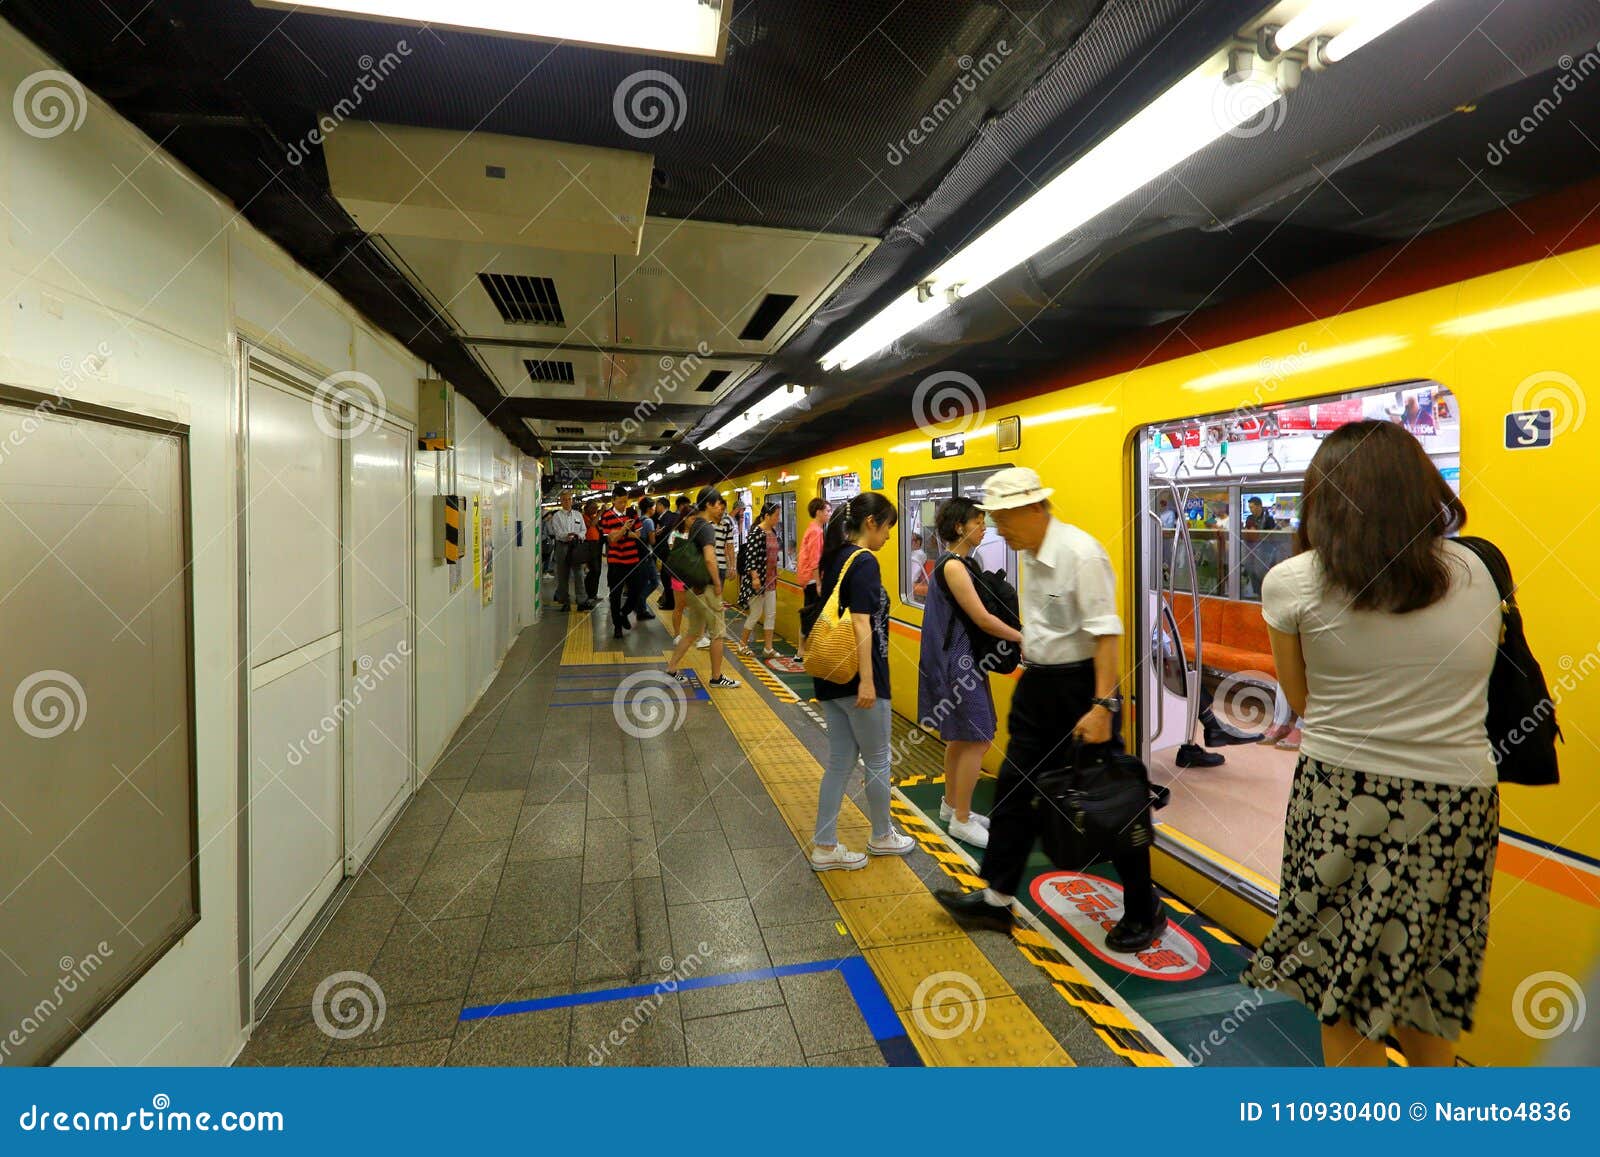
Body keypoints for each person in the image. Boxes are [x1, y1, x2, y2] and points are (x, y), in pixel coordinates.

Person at [1240, 420, 1500, 1067]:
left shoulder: (1294, 581)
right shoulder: (1480, 567)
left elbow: (1302, 702)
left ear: (1322, 497)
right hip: (1460, 802)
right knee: (1426, 982)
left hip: (1345, 796)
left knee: (1344, 989)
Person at [935, 467, 1164, 953]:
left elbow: (1107, 633)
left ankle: (1145, 908)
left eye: (1003, 519)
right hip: (1039, 686)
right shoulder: (1033, 556)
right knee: (1014, 792)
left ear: (1033, 509)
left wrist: (1104, 704)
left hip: (1082, 690)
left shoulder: (1080, 554)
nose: (998, 529)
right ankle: (997, 899)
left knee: (1110, 798)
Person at [809, 493, 914, 870]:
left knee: (839, 761)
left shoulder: (834, 556)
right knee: (878, 760)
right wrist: (867, 681)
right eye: (887, 527)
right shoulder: (865, 561)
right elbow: (860, 621)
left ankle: (824, 845)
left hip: (829, 675)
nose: (888, 536)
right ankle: (882, 835)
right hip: (858, 678)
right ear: (872, 523)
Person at [918, 497, 1023, 849]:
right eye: (978, 522)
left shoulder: (959, 562)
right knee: (978, 736)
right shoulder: (955, 567)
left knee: (960, 737)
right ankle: (962, 819)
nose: (984, 528)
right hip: (958, 663)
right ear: (960, 527)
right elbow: (981, 618)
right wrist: (1023, 636)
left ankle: (952, 807)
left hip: (957, 660)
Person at [664, 488, 741, 689]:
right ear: (708, 504)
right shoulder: (706, 527)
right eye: (718, 505)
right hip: (706, 587)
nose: (721, 510)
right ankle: (716, 677)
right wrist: (717, 583)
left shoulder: (694, 524)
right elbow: (709, 558)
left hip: (693, 588)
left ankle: (671, 669)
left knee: (693, 632)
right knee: (718, 633)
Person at [598, 484, 646, 639]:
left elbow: (638, 535)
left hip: (632, 559)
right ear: (613, 501)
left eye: (625, 501)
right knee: (615, 594)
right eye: (620, 502)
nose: (624, 505)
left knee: (637, 590)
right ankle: (617, 626)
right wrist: (625, 529)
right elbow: (611, 540)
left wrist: (619, 533)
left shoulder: (632, 513)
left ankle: (624, 613)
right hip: (615, 561)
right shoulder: (606, 516)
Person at [738, 501, 782, 656]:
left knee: (771, 614)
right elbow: (750, 558)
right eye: (776, 515)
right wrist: (755, 578)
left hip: (771, 580)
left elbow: (774, 555)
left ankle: (768, 648)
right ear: (767, 516)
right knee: (755, 613)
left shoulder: (773, 532)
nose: (778, 518)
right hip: (758, 581)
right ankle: (742, 644)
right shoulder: (756, 532)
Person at [795, 497, 830, 661]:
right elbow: (815, 561)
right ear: (819, 512)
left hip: (806, 577)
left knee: (807, 613)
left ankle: (801, 650)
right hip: (811, 579)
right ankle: (803, 651)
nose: (829, 514)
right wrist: (818, 583)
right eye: (827, 511)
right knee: (811, 615)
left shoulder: (811, 528)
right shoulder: (817, 531)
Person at [548, 490, 588, 611]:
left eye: (569, 499)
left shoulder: (578, 515)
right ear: (561, 501)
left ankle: (581, 601)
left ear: (572, 500)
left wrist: (578, 536)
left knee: (579, 574)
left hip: (576, 547)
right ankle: (565, 601)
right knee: (563, 575)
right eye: (565, 499)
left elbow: (583, 530)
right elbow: (557, 532)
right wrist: (567, 535)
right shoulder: (557, 516)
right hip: (562, 547)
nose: (567, 502)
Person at [631, 489, 658, 621]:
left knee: (642, 582)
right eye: (653, 507)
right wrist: (655, 533)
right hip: (646, 556)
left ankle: (640, 608)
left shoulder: (639, 520)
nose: (655, 509)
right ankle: (640, 604)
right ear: (649, 508)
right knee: (654, 582)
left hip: (638, 556)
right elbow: (652, 541)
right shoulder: (649, 521)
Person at [580, 499, 602, 607]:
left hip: (596, 545)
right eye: (593, 508)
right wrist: (600, 513)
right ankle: (589, 593)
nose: (595, 510)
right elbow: (591, 525)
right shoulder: (583, 517)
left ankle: (594, 594)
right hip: (589, 545)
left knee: (597, 571)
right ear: (587, 508)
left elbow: (597, 526)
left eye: (596, 508)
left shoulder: (593, 516)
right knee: (594, 569)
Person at [909, 533, 929, 600]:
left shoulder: (920, 554)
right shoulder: (913, 553)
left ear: (918, 542)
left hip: (911, 580)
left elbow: (913, 573)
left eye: (911, 540)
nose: (909, 542)